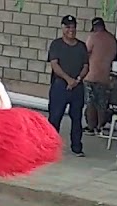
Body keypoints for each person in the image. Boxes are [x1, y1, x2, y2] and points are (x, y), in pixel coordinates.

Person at [47, 15, 90, 157]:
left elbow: (85, 66)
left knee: (77, 118)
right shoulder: (56, 44)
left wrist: (77, 80)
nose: (71, 30)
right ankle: (50, 147)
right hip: (60, 86)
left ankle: (77, 147)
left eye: (73, 27)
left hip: (77, 87)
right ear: (62, 28)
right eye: (68, 27)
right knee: (55, 117)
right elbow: (54, 64)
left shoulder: (81, 46)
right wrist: (68, 79)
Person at [83, 17, 117, 136]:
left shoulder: (92, 37)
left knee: (90, 102)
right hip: (105, 76)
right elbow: (115, 57)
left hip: (91, 75)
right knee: (102, 104)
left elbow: (85, 52)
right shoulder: (112, 39)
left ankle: (91, 127)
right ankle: (100, 127)